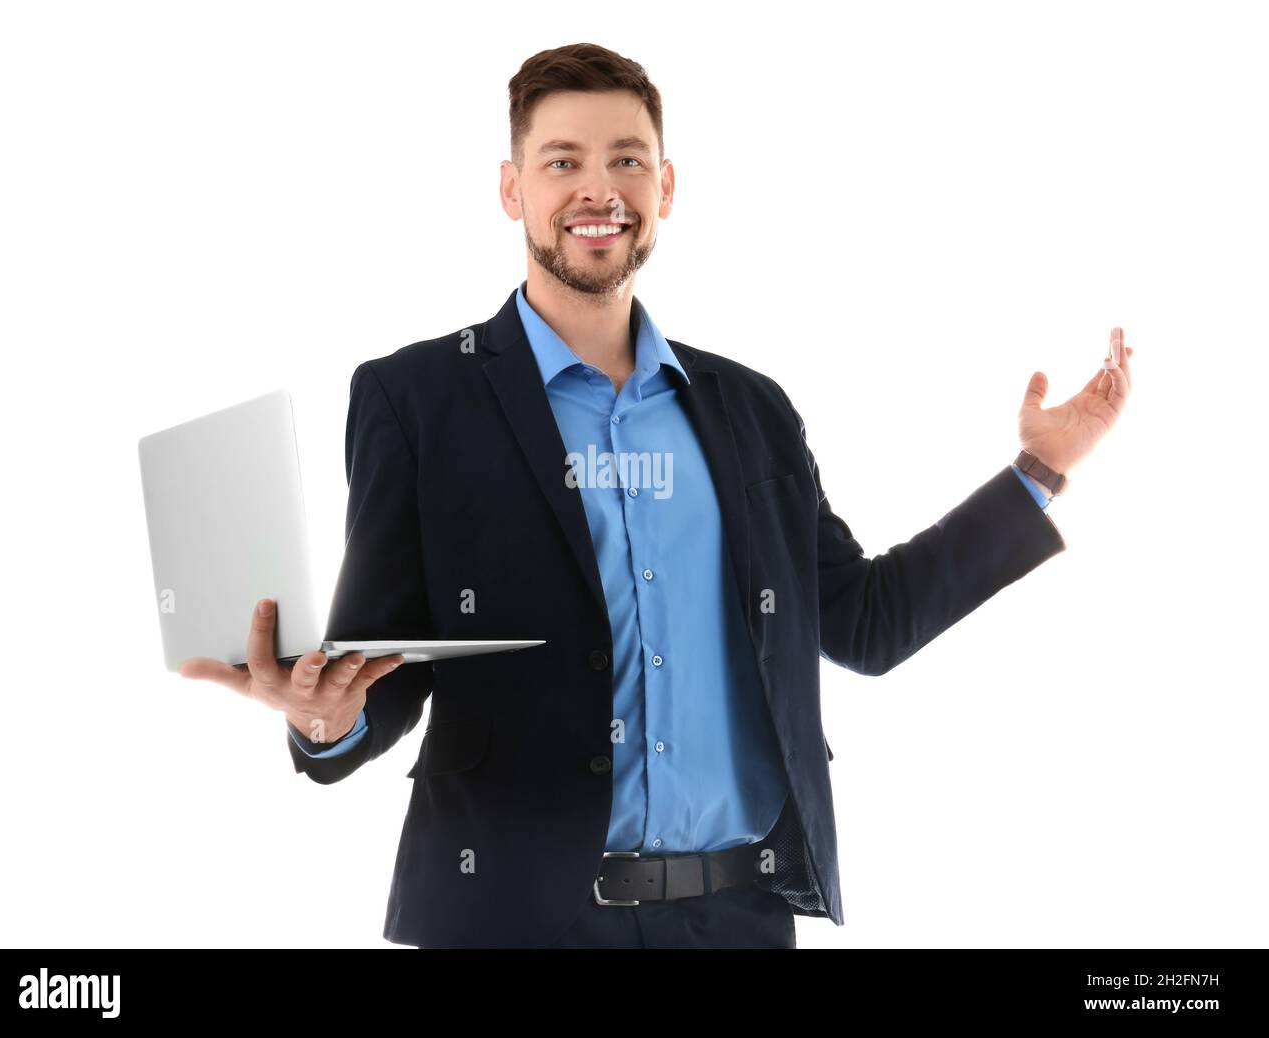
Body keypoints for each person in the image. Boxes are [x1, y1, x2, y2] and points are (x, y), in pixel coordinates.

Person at [180, 42, 1134, 948]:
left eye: (627, 159)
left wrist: (1039, 475)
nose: (599, 188)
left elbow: (865, 622)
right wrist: (327, 720)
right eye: (562, 161)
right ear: (513, 189)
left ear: (664, 188)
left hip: (735, 917)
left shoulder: (752, 410)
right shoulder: (417, 400)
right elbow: (386, 666)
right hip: (509, 920)